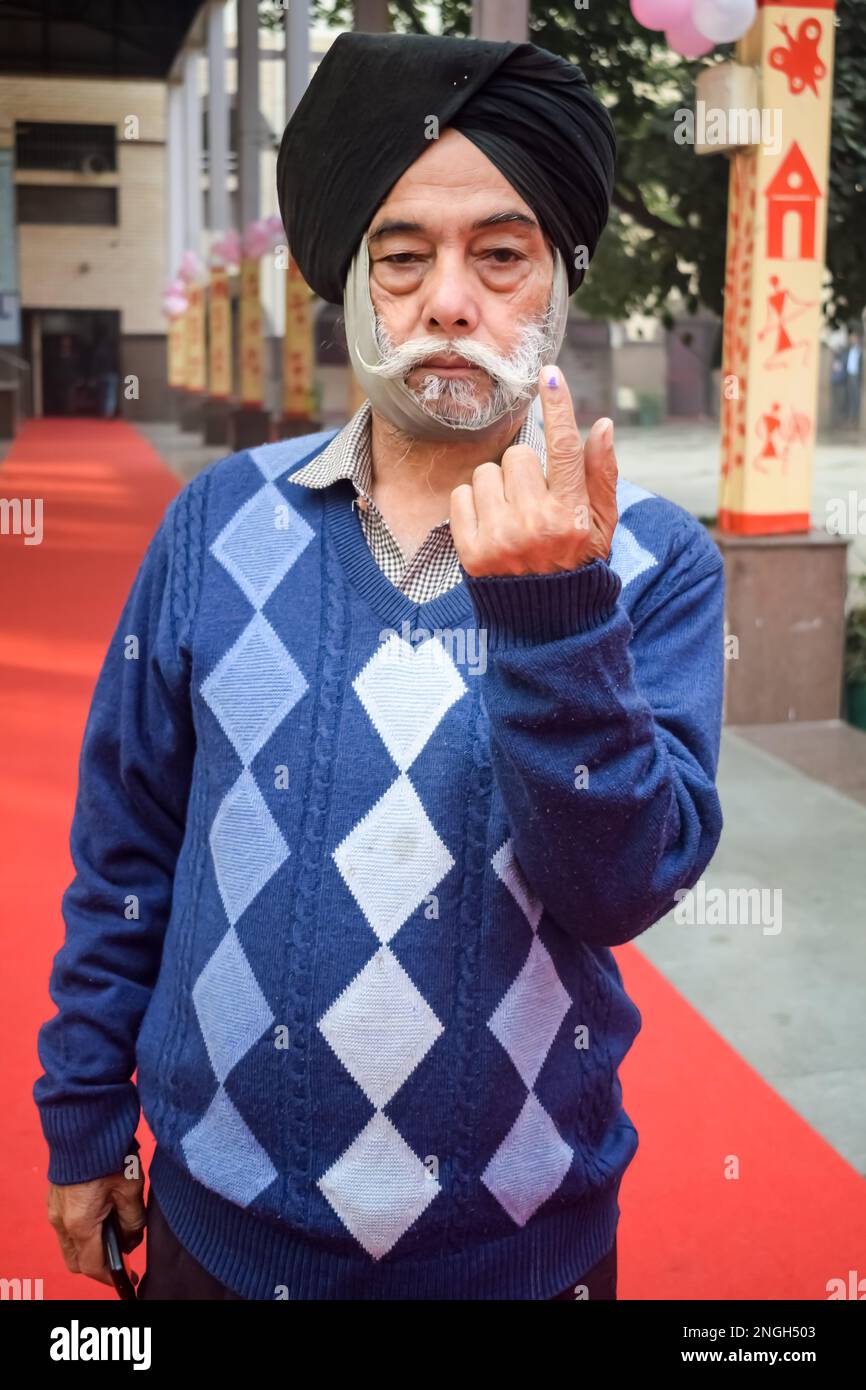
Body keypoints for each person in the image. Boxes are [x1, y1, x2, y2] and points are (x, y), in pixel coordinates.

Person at [34, 32, 725, 1302]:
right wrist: (84, 1112)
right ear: (349, 282)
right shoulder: (214, 523)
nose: (448, 302)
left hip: (520, 1254)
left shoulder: (649, 561)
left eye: (499, 255)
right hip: (218, 1231)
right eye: (401, 259)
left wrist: (557, 611)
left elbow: (621, 888)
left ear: (560, 279)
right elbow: (127, 845)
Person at [846, 328, 863, 429]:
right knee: (850, 397)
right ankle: (850, 418)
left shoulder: (860, 350)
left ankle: (855, 419)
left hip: (856, 376)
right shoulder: (848, 349)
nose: (851, 339)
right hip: (849, 376)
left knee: (856, 398)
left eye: (853, 338)